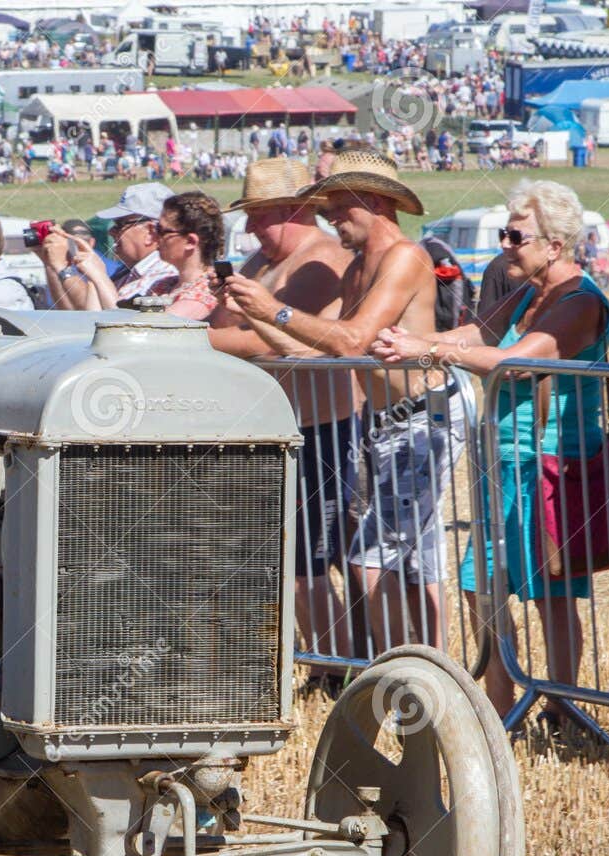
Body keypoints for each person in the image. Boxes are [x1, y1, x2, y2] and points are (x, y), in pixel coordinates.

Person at [374, 180, 609, 736]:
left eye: (516, 235)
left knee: (551, 591)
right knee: (481, 581)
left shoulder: (579, 300)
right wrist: (406, 338)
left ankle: (560, 708)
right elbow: (479, 332)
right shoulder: (530, 293)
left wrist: (425, 348)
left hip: (552, 460)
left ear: (554, 244)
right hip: (501, 457)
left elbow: (516, 362)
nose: (506, 244)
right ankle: (498, 709)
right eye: (504, 233)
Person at [223, 147, 473, 652]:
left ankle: (404, 670)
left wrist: (274, 310)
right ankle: (427, 669)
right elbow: (311, 349)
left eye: (338, 204)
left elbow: (352, 340)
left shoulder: (404, 257)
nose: (329, 216)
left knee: (371, 560)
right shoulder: (360, 266)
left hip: (423, 420)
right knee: (413, 563)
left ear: (375, 201)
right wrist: (259, 315)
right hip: (386, 424)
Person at [207, 158, 355, 671]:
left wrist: (194, 339)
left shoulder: (321, 260)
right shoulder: (258, 265)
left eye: (258, 216)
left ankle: (336, 664)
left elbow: (261, 340)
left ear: (294, 211)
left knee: (310, 560)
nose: (248, 227)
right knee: (290, 559)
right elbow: (231, 325)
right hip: (284, 425)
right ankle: (325, 660)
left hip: (321, 427)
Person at [35, 182, 177, 310]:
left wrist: (66, 268)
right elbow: (76, 314)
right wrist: (52, 264)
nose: (111, 231)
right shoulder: (130, 271)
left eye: (120, 225)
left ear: (150, 233)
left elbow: (118, 323)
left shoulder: (164, 275)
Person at [147, 192, 221, 320]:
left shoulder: (205, 294)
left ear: (190, 242)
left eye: (161, 230)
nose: (154, 237)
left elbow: (152, 332)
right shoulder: (163, 285)